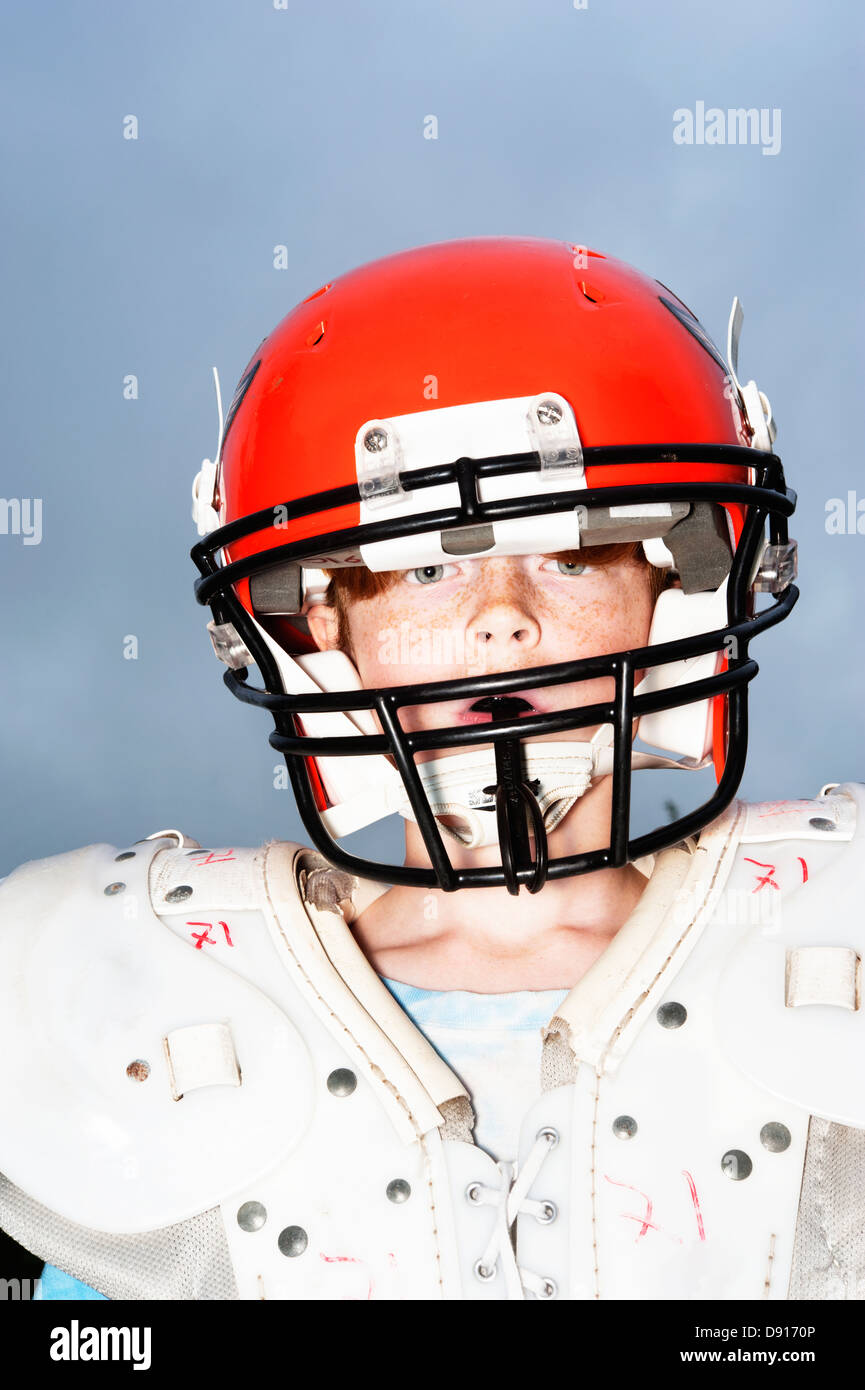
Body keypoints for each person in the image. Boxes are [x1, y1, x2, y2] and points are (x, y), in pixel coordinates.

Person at [2, 237, 859, 1301]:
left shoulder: (837, 958)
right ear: (321, 623)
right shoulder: (129, 1018)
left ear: (680, 589)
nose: (502, 618)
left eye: (570, 553)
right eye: (423, 564)